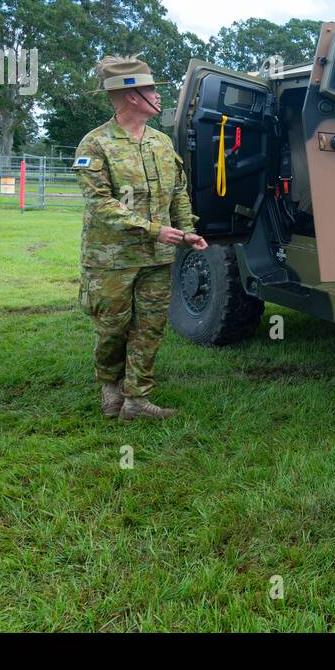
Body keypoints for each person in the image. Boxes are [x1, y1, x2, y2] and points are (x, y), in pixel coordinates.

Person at [74, 56, 207, 420]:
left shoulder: (161, 143)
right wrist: (153, 230)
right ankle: (110, 387)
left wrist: (188, 231)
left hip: (157, 258)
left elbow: (178, 193)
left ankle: (136, 401)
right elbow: (100, 204)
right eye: (150, 89)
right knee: (112, 328)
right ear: (132, 96)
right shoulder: (95, 144)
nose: (158, 96)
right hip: (111, 259)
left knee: (149, 327)